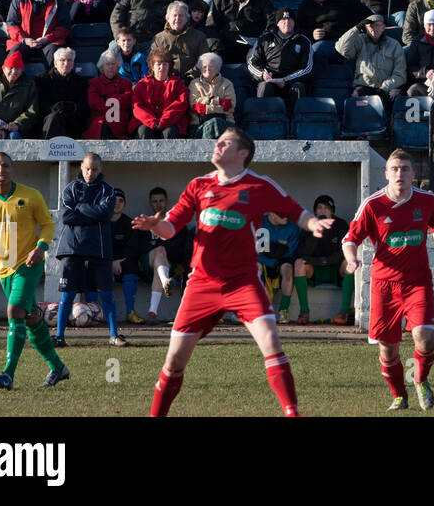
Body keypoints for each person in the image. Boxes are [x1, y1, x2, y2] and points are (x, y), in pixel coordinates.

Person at [134, 129, 335, 415]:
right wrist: (154, 225)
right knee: (175, 359)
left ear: (242, 153)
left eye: (225, 142)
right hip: (202, 283)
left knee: (271, 340)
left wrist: (313, 223)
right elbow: (170, 228)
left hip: (243, 282)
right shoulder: (199, 185)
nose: (217, 145)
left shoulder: (259, 185)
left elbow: (293, 209)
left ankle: (292, 411)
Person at [344, 148, 434, 411]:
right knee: (387, 347)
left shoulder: (427, 200)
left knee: (425, 336)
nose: (400, 174)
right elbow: (350, 238)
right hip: (384, 286)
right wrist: (352, 259)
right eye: (394, 169)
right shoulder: (373, 204)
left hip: (418, 281)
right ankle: (399, 395)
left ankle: (420, 379)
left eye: (405, 169)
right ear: (386, 174)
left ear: (413, 174)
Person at [0, 153, 68, 389]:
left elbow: (48, 224)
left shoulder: (30, 195)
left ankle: (8, 374)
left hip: (29, 263)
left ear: (12, 169)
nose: (1, 169)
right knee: (32, 318)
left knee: (14, 310)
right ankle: (58, 367)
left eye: (5, 165)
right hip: (4, 268)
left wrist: (40, 247)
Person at [53, 153, 123, 347]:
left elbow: (105, 213)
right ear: (81, 167)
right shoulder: (71, 188)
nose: (90, 173)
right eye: (87, 168)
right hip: (72, 248)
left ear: (100, 170)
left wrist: (81, 207)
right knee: (67, 294)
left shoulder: (108, 191)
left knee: (107, 294)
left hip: (99, 249)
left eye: (94, 169)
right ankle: (59, 336)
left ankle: (114, 335)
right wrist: (93, 214)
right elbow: (67, 216)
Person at [291, 195, 352, 325]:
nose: (323, 211)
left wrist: (324, 261)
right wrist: (316, 231)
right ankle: (304, 311)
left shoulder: (340, 225)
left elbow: (344, 252)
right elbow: (303, 253)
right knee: (298, 264)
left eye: (327, 208)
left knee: (349, 263)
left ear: (332, 212)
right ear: (315, 211)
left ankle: (344, 312)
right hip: (315, 270)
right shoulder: (309, 225)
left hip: (335, 270)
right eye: (320, 208)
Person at [139, 185, 194, 324]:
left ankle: (152, 312)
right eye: (154, 201)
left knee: (161, 258)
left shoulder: (175, 225)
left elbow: (181, 250)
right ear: (150, 203)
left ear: (167, 202)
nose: (158, 204)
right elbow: (139, 248)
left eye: (161, 201)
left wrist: (158, 245)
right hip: (146, 266)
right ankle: (165, 281)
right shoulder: (145, 222)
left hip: (167, 266)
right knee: (160, 251)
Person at [298, 0, 371, 64]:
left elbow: (367, 14)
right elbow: (299, 30)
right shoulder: (305, 6)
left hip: (346, 42)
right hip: (323, 44)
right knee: (317, 49)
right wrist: (312, 35)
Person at [248, 7, 312, 111]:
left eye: (290, 19)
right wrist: (262, 75)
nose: (287, 22)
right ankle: (261, 120)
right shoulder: (265, 39)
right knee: (264, 87)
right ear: (277, 23)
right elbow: (251, 63)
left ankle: (297, 122)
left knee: (298, 87)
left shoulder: (303, 41)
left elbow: (307, 69)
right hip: (270, 80)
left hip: (291, 81)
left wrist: (285, 80)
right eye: (283, 20)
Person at [207, 0, 276, 64]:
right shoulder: (220, 1)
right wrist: (216, 48)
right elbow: (211, 27)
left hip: (253, 46)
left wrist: (260, 43)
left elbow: (272, 24)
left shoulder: (262, 1)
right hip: (226, 44)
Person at [335, 13, 407, 104]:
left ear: (383, 27)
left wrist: (384, 88)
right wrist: (356, 28)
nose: (374, 29)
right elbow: (341, 48)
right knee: (357, 99)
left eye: (377, 25)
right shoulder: (360, 41)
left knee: (395, 96)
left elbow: (400, 75)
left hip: (386, 88)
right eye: (370, 26)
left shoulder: (394, 45)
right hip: (364, 87)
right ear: (365, 28)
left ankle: (390, 118)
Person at [0, 48, 40, 139]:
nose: (14, 72)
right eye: (10, 68)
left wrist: (17, 124)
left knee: (14, 136)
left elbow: (32, 112)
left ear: (22, 70)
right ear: (3, 68)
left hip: (19, 130)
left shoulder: (29, 86)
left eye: (18, 69)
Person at [132, 49, 188, 139]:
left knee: (170, 132)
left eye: (165, 64)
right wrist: (152, 122)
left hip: (170, 122)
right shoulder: (142, 84)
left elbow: (180, 105)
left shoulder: (178, 84)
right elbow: (137, 107)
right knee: (144, 131)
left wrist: (163, 121)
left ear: (169, 67)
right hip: (147, 122)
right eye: (158, 64)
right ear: (152, 67)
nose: (161, 67)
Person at [36, 46, 88, 139]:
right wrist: (56, 108)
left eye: (69, 60)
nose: (66, 63)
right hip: (49, 119)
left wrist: (68, 107)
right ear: (55, 63)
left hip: (72, 120)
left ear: (73, 63)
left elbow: (82, 107)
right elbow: (41, 104)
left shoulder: (81, 82)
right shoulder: (42, 79)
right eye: (62, 60)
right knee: (54, 118)